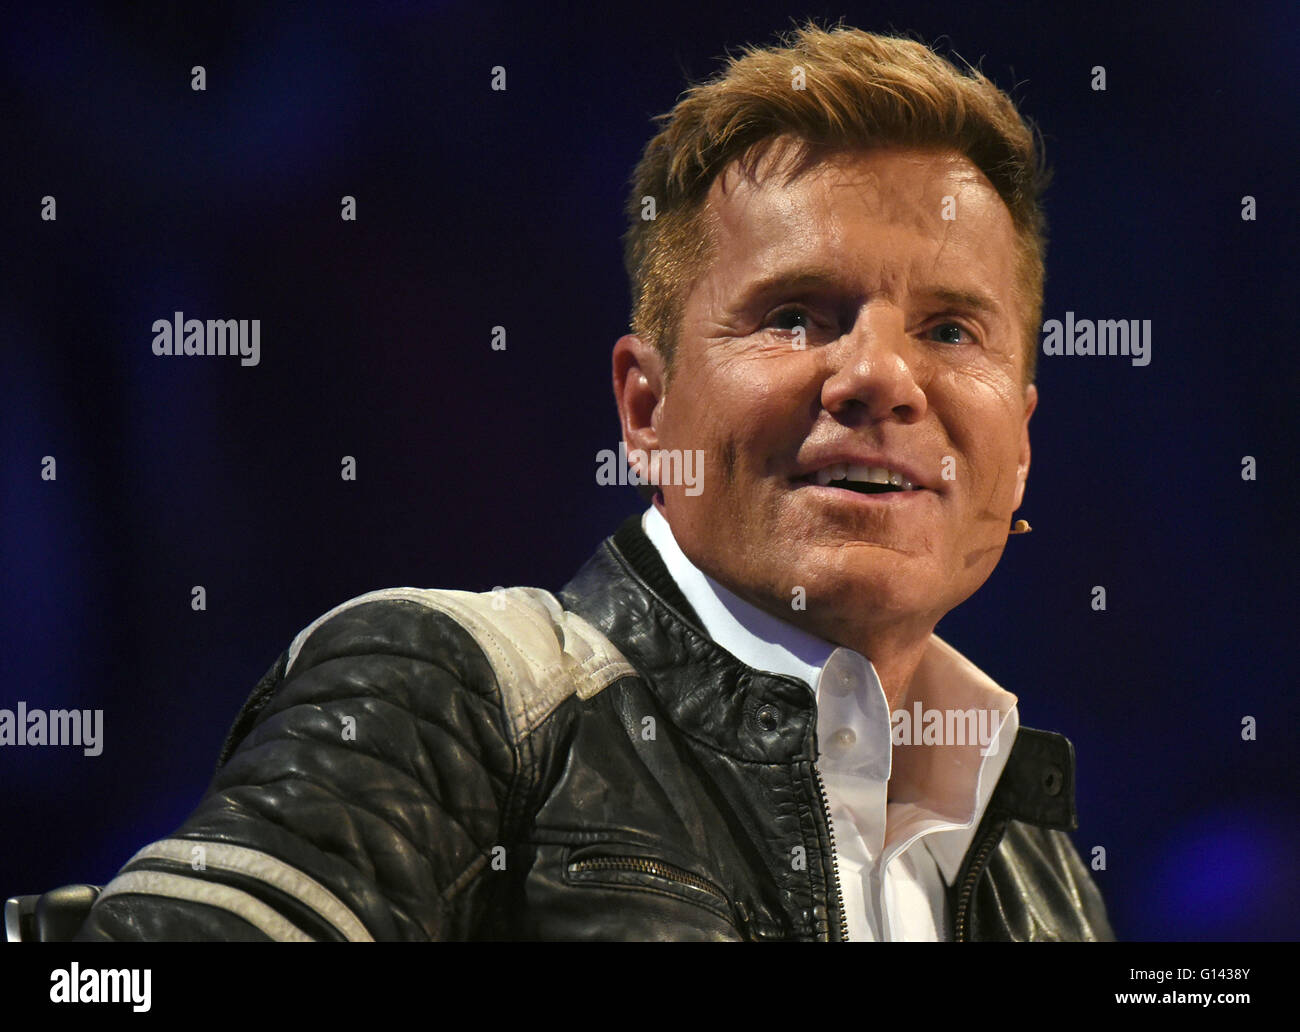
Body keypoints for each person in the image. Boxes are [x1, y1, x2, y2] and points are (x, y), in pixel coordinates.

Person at [67, 23, 1111, 941]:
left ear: (1017, 446)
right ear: (645, 412)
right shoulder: (446, 698)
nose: (880, 377)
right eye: (796, 314)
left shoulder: (1039, 870)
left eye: (947, 330)